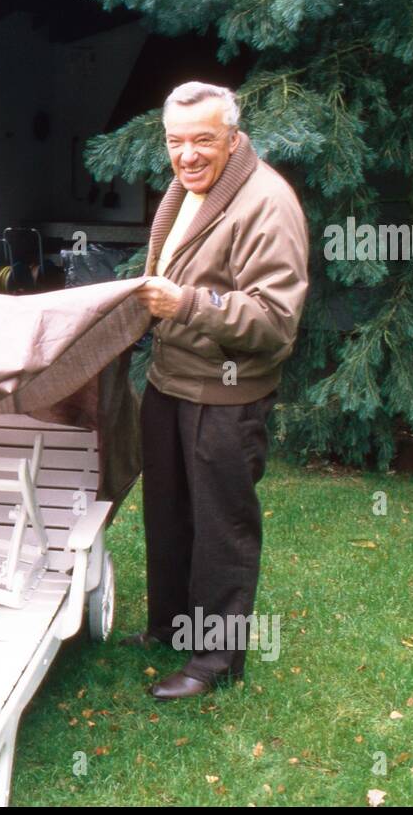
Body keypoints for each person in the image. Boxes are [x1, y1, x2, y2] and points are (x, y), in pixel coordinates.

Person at [124, 81, 309, 699]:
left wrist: (187, 304)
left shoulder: (267, 203)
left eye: (204, 139)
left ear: (233, 136)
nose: (188, 154)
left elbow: (275, 322)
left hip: (225, 397)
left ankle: (215, 662)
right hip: (172, 383)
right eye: (176, 141)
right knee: (170, 516)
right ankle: (174, 628)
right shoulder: (188, 191)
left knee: (221, 527)